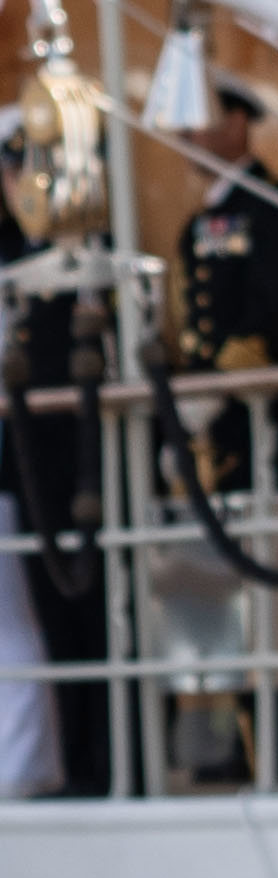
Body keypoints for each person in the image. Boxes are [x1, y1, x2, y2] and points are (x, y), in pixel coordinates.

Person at [169, 68, 278, 783]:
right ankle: (237, 737)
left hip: (270, 427)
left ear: (238, 123)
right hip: (220, 435)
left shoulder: (274, 204)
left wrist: (220, 381)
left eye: (201, 120)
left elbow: (270, 312)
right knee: (227, 595)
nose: (188, 137)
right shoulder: (196, 223)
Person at [0, 111, 105, 794]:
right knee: (40, 621)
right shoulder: (15, 255)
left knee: (90, 620)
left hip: (82, 467)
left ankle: (96, 766)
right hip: (25, 470)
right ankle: (62, 763)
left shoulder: (86, 252)